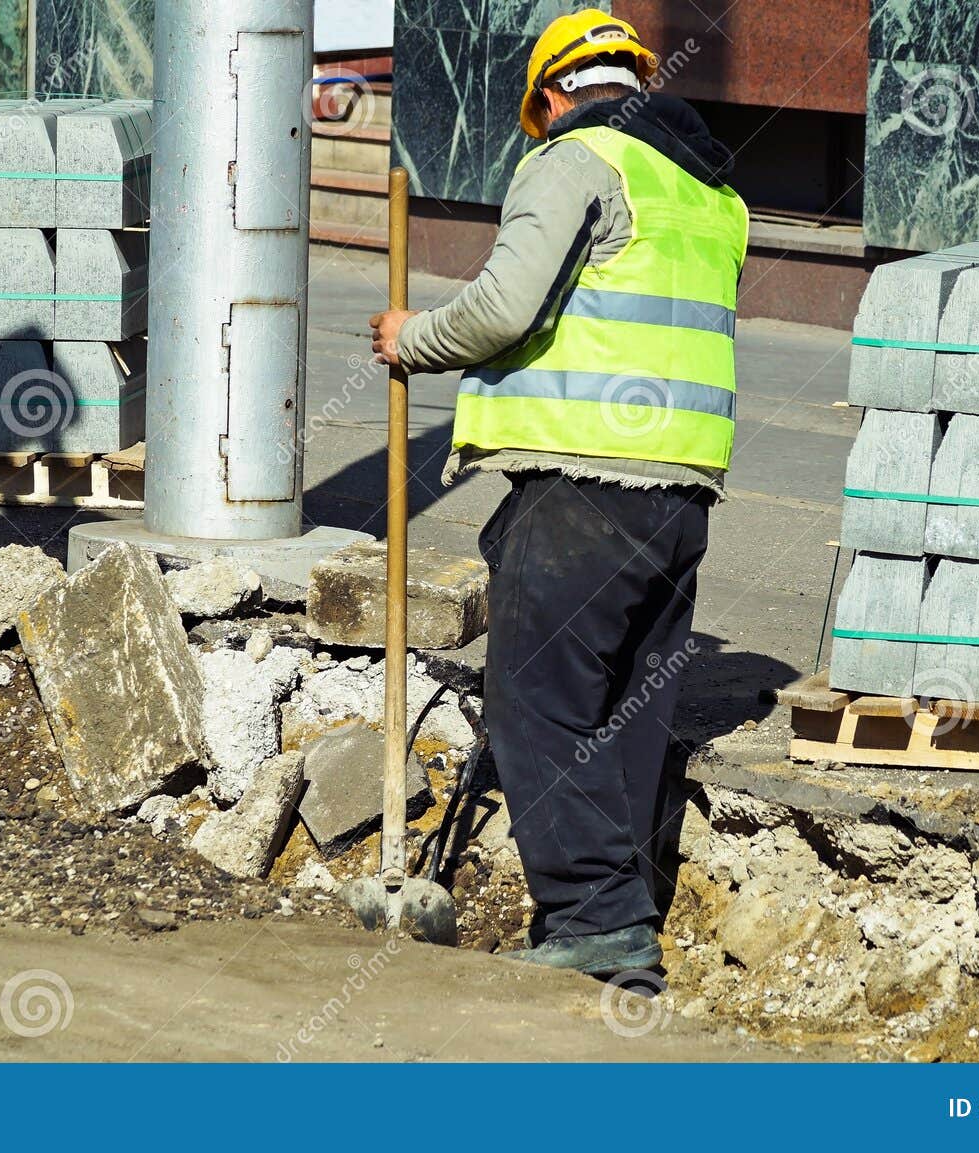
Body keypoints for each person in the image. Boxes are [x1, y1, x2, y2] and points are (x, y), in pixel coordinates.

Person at [371, 8, 747, 977]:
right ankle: (616, 925)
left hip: (582, 481)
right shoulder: (709, 192)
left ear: (547, 97)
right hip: (681, 491)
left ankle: (595, 927)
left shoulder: (575, 158)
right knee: (625, 717)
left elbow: (504, 305)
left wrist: (411, 337)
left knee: (536, 705)